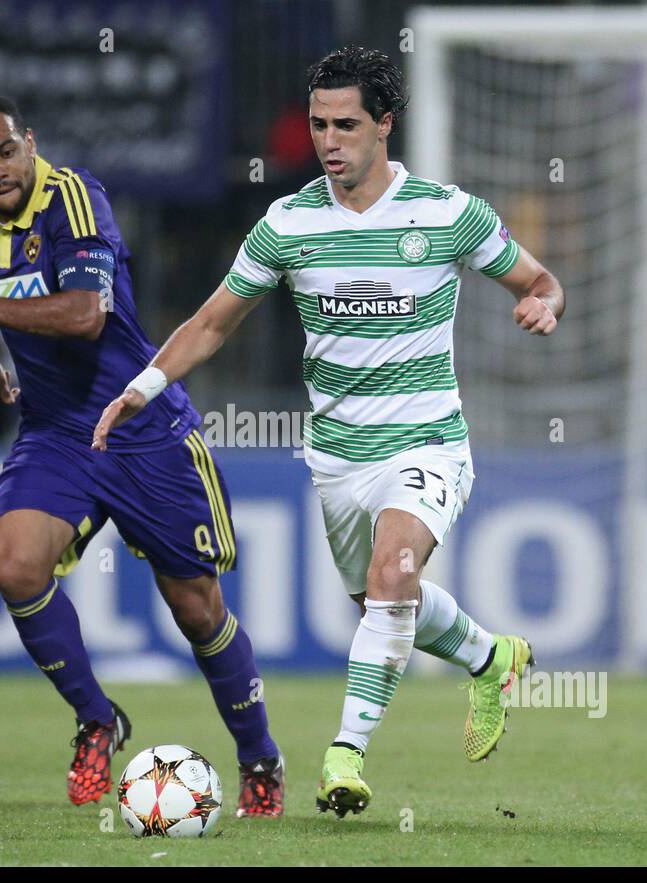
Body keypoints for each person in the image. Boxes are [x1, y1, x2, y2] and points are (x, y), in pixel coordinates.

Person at [93, 49, 564, 817]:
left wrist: (546, 304)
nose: (329, 139)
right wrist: (142, 387)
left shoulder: (447, 213)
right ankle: (492, 655)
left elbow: (541, 280)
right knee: (383, 596)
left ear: (386, 124)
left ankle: (344, 755)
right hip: (338, 459)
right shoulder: (288, 223)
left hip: (427, 444)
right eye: (318, 124)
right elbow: (212, 323)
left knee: (391, 576)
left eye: (346, 124)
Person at [0, 95, 284, 816]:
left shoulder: (74, 201)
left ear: (30, 143)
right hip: (55, 432)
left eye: (5, 152)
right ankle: (97, 719)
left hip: (141, 426)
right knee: (15, 565)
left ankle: (260, 757)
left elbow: (85, 316)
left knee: (196, 609)